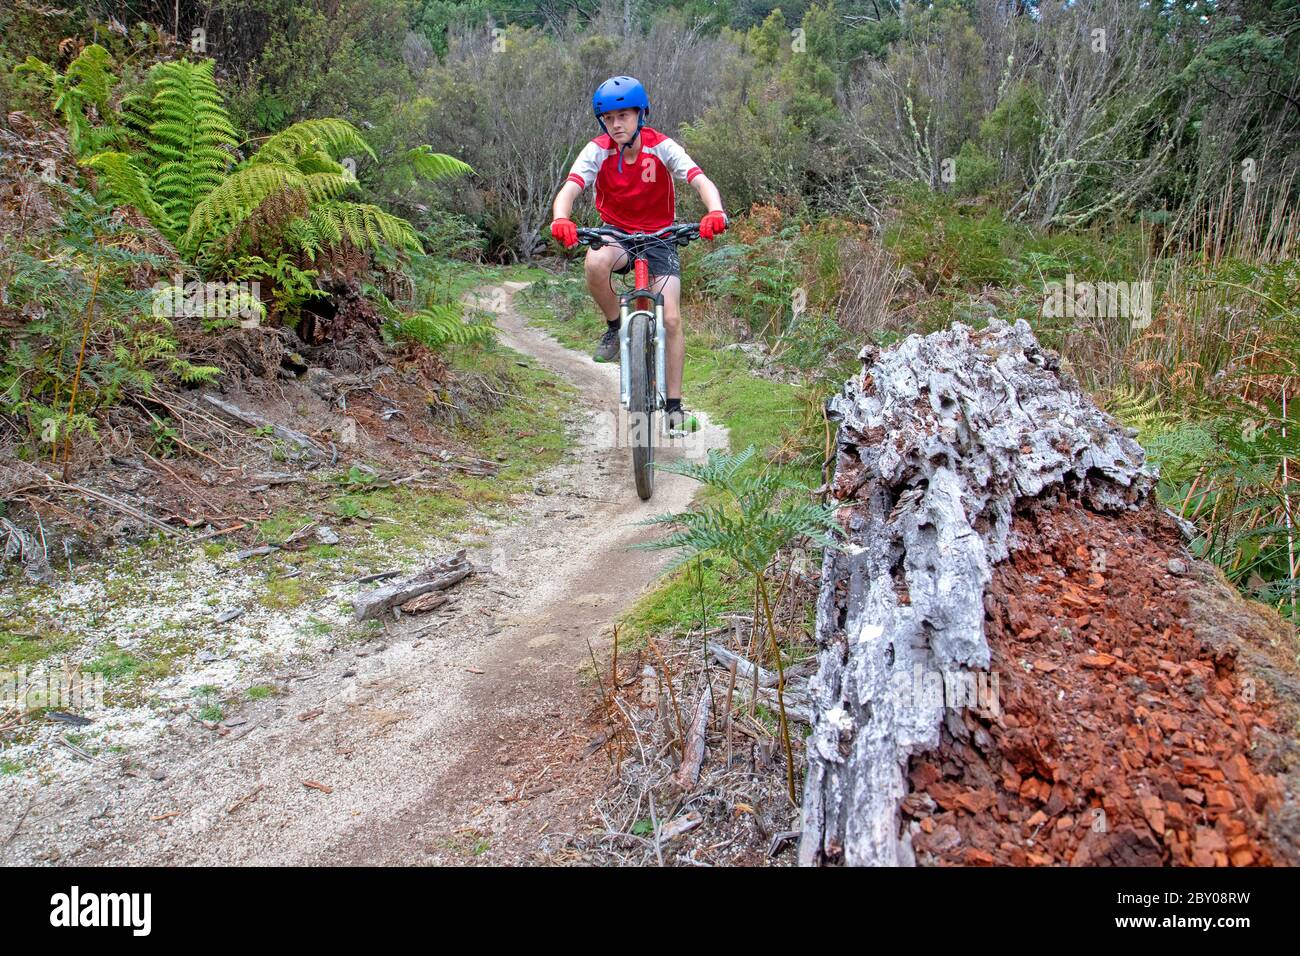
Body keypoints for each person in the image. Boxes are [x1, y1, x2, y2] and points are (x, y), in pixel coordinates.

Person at [549, 75, 726, 432]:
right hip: (616, 233)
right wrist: (561, 218)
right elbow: (570, 188)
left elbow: (699, 178)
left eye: (624, 116)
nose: (616, 124)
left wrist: (715, 210)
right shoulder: (597, 149)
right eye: (609, 118)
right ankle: (616, 326)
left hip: (661, 235)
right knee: (596, 261)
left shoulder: (661, 146)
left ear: (640, 115)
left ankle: (674, 406)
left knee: (672, 319)